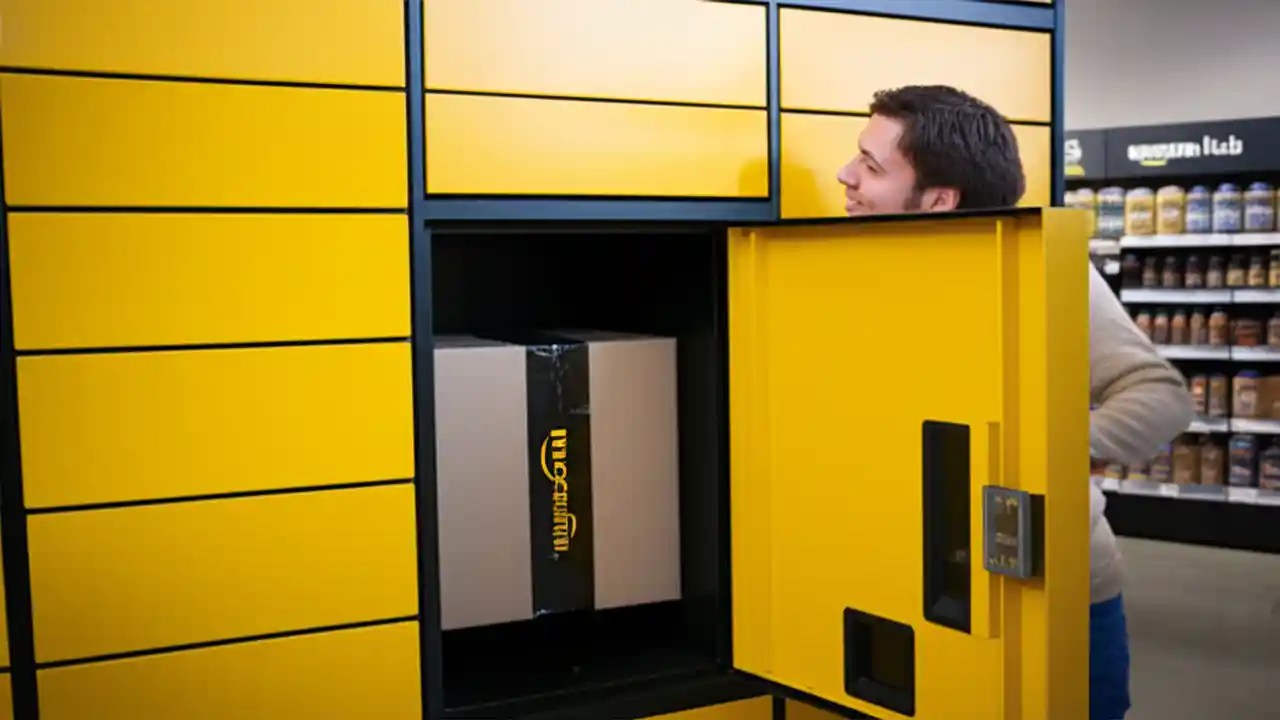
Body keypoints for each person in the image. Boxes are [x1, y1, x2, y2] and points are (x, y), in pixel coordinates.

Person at [836, 84, 1193, 720]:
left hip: (1051, 592)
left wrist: (1040, 452)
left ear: (940, 200)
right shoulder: (850, 270)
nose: (845, 174)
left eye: (871, 165)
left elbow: (1159, 396)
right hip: (901, 585)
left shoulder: (1039, 270)